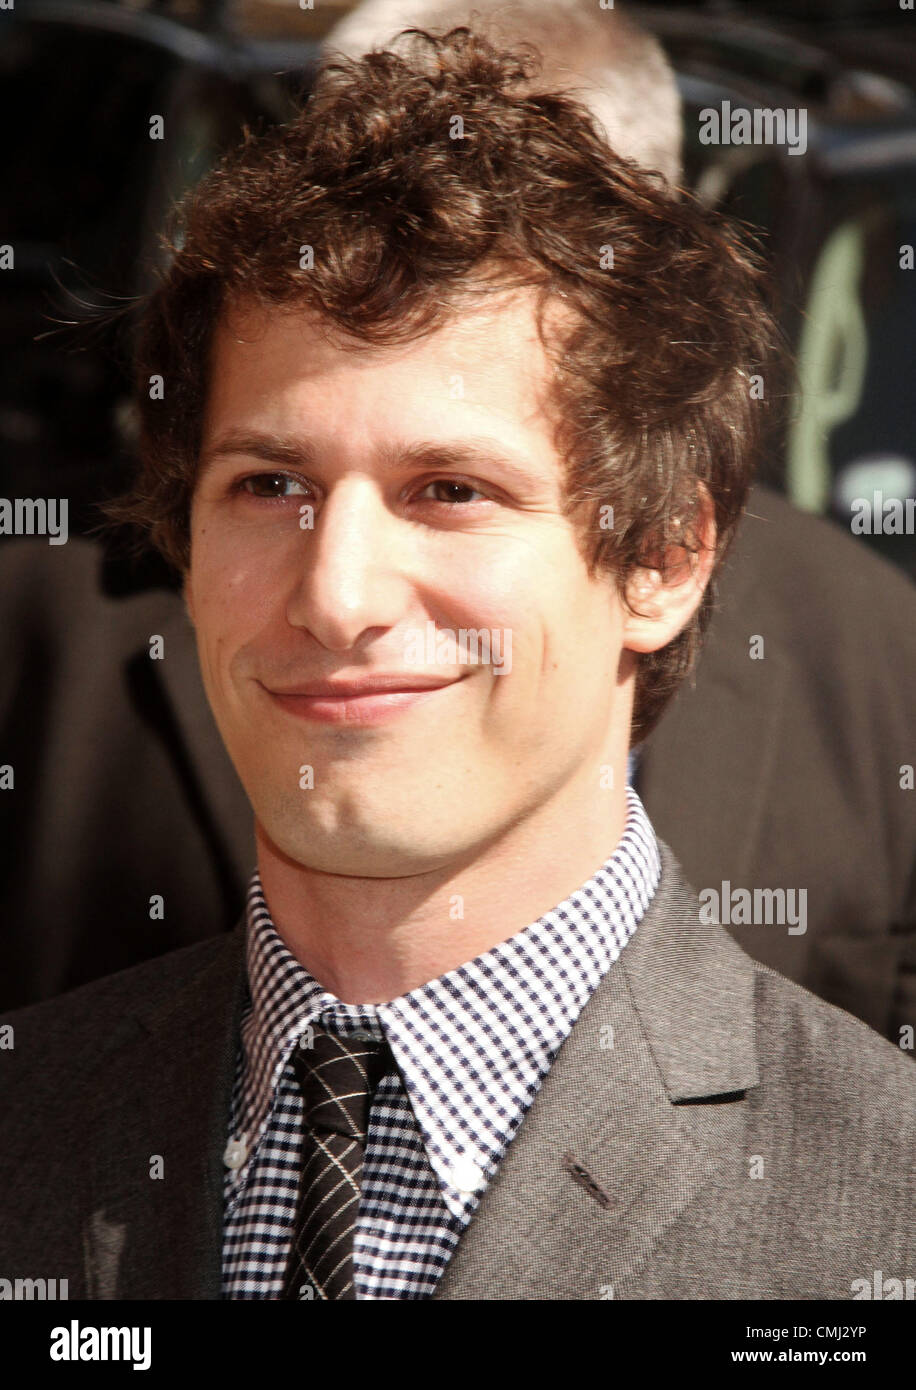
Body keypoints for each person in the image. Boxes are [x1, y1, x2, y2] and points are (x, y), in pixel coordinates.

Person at [1, 29, 913, 1300]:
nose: (337, 593)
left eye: (450, 489)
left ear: (662, 560)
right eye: (270, 483)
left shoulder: (880, 1212)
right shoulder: (30, 1126)